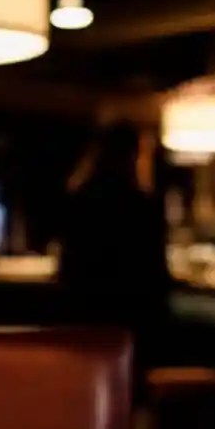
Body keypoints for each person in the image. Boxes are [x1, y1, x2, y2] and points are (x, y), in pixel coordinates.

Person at [57, 122, 170, 374]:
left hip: (84, 315)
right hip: (132, 319)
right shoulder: (142, 205)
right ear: (135, 156)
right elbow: (157, 275)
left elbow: (67, 267)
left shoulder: (80, 198)